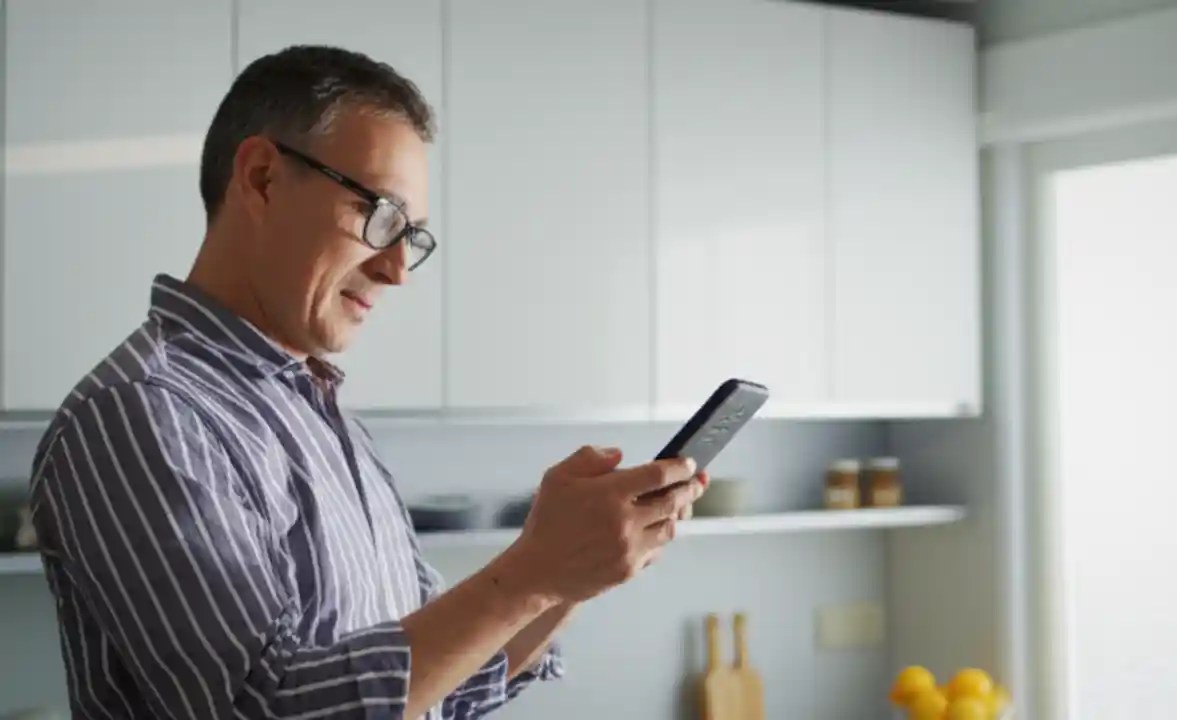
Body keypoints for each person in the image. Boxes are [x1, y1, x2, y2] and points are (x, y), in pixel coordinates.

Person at [27, 45, 706, 720]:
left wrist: (569, 579)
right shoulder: (145, 413)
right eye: (380, 215)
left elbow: (434, 689)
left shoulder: (326, 419)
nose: (397, 270)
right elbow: (265, 710)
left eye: (410, 237)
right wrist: (533, 572)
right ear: (262, 177)